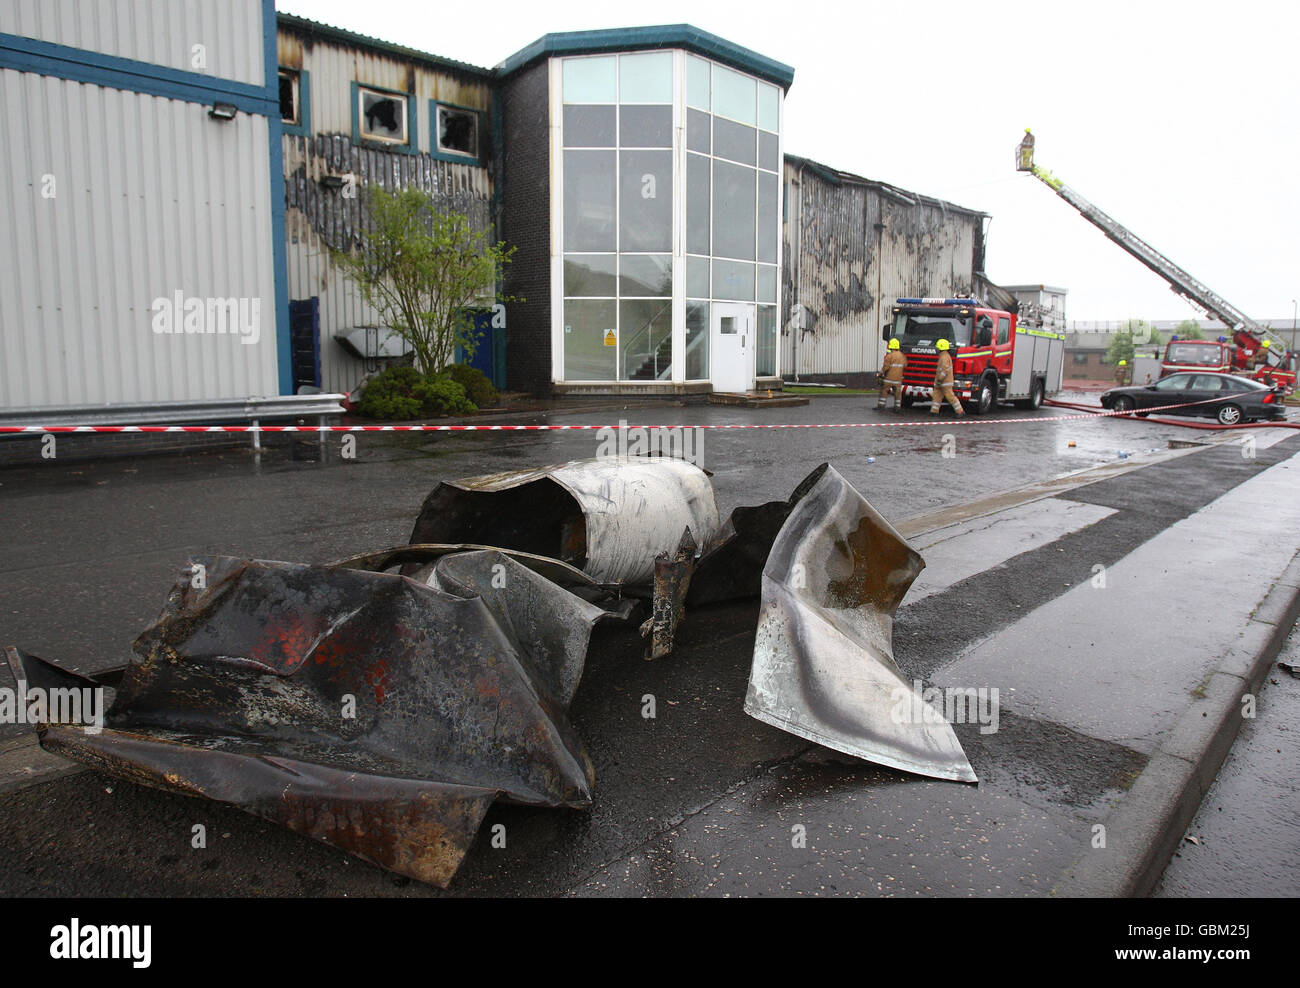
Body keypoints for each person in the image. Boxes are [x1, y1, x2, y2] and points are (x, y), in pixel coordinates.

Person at [931, 338, 964, 416]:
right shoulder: (944, 356)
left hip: (945, 382)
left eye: (938, 347)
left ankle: (960, 412)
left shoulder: (944, 357)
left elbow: (944, 370)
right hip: (942, 382)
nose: (937, 349)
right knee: (937, 396)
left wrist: (939, 379)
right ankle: (934, 411)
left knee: (950, 397)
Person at [877, 338, 906, 411]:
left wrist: (880, 374)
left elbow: (885, 367)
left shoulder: (890, 356)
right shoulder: (902, 356)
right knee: (898, 394)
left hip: (889, 379)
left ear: (891, 346)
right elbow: (905, 365)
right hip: (898, 380)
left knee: (884, 391)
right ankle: (897, 408)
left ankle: (881, 406)